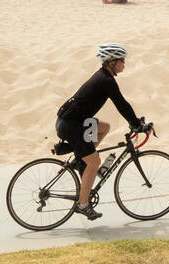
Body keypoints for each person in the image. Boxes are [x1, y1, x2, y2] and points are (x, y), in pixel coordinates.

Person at [54, 44, 148, 220]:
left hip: (74, 121)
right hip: (71, 125)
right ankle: (83, 205)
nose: (124, 64)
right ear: (112, 62)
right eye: (122, 60)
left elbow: (122, 105)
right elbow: (121, 104)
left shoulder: (103, 76)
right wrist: (136, 124)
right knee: (94, 162)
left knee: (104, 127)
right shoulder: (106, 80)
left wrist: (135, 122)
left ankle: (80, 158)